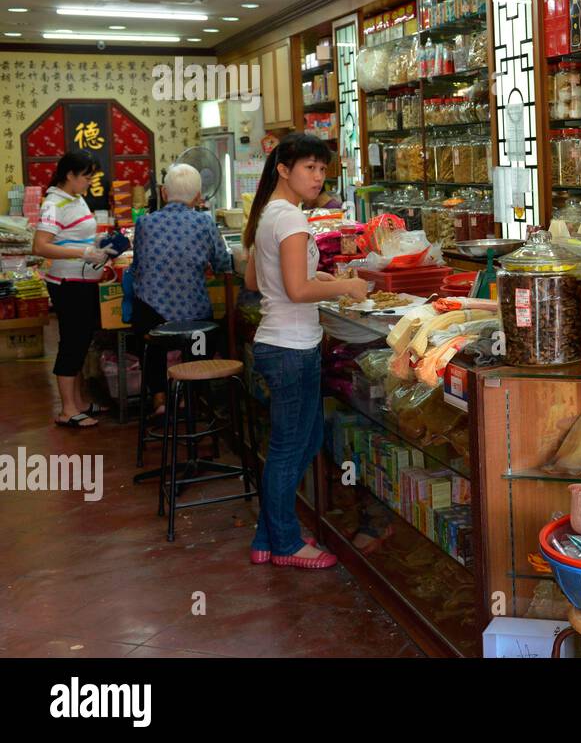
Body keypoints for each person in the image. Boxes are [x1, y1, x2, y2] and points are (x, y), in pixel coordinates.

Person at [243, 133, 367, 569]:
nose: (318, 177)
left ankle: (268, 534)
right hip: (291, 346)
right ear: (283, 168)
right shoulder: (291, 220)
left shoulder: (269, 213)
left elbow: (256, 283)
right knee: (290, 444)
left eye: (322, 168)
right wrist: (346, 285)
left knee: (305, 437)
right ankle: (286, 544)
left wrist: (321, 279)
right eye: (309, 168)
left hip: (280, 342)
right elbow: (296, 289)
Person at [129, 163, 233, 416]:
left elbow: (138, 266)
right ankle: (190, 393)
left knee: (153, 343)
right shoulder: (205, 222)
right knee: (201, 339)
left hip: (152, 319)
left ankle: (159, 397)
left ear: (164, 193)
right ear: (198, 197)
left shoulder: (144, 223)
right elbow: (222, 264)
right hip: (193, 320)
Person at [32, 151, 107, 428]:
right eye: (86, 177)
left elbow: (75, 235)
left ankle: (79, 403)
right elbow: (40, 246)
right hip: (68, 284)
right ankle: (67, 410)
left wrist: (97, 243)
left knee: (81, 340)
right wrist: (83, 252)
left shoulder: (74, 198)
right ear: (70, 176)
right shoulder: (53, 203)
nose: (90, 182)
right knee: (72, 343)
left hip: (83, 281)